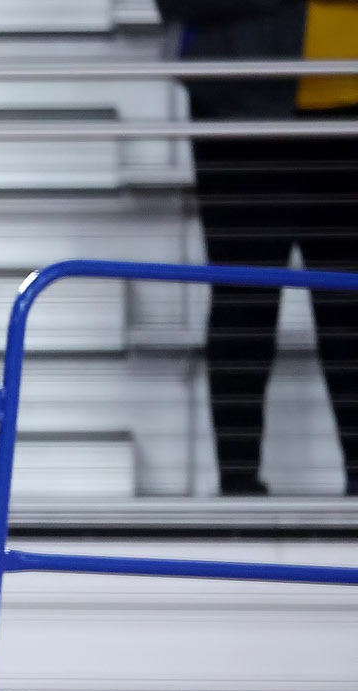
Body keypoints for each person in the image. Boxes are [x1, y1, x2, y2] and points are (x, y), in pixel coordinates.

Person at [159, 0, 358, 496]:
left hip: (347, 112)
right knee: (244, 299)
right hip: (239, 102)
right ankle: (238, 484)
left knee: (349, 304)